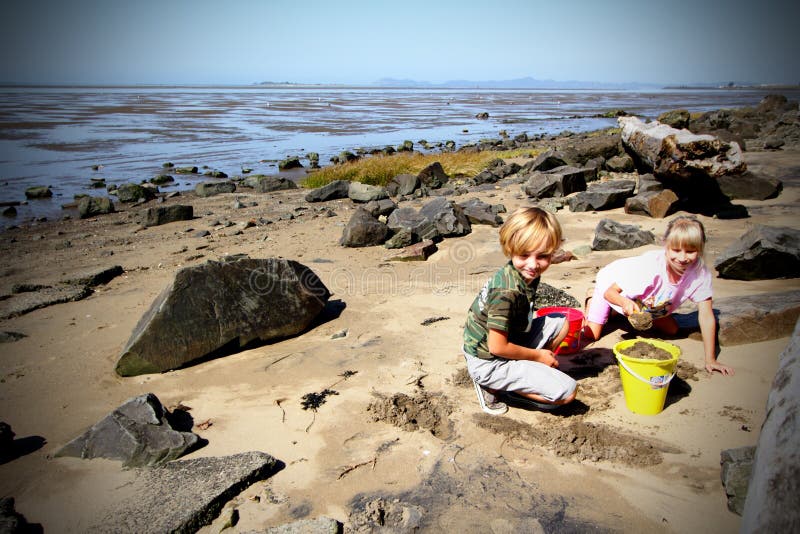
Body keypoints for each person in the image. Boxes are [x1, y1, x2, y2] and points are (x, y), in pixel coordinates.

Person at [583, 215, 734, 376]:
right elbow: (610, 292)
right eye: (676, 250)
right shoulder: (650, 267)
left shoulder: (699, 274)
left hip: (650, 302)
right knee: (592, 334)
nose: (682, 258)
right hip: (611, 286)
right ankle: (592, 298)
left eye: (690, 251)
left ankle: (617, 313)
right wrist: (624, 302)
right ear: (666, 245)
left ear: (700, 248)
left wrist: (710, 359)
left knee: (672, 331)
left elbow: (706, 316)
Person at [463, 207, 578, 415]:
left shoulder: (525, 272)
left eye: (543, 256)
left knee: (561, 322)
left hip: (507, 339)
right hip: (487, 360)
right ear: (510, 248)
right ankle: (497, 387)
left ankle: (522, 375)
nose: (533, 264)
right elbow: (497, 347)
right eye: (525, 254)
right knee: (567, 393)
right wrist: (538, 356)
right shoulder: (506, 292)